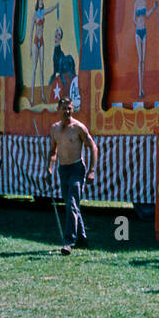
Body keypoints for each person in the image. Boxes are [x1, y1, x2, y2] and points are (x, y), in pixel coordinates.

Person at [47, 95, 98, 254]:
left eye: (70, 108)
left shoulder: (78, 128)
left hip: (77, 169)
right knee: (71, 204)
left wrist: (92, 170)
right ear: (58, 109)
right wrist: (49, 169)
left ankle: (68, 241)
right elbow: (52, 152)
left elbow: (93, 148)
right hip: (63, 170)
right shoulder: (54, 129)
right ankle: (82, 237)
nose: (67, 111)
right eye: (64, 108)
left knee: (71, 203)